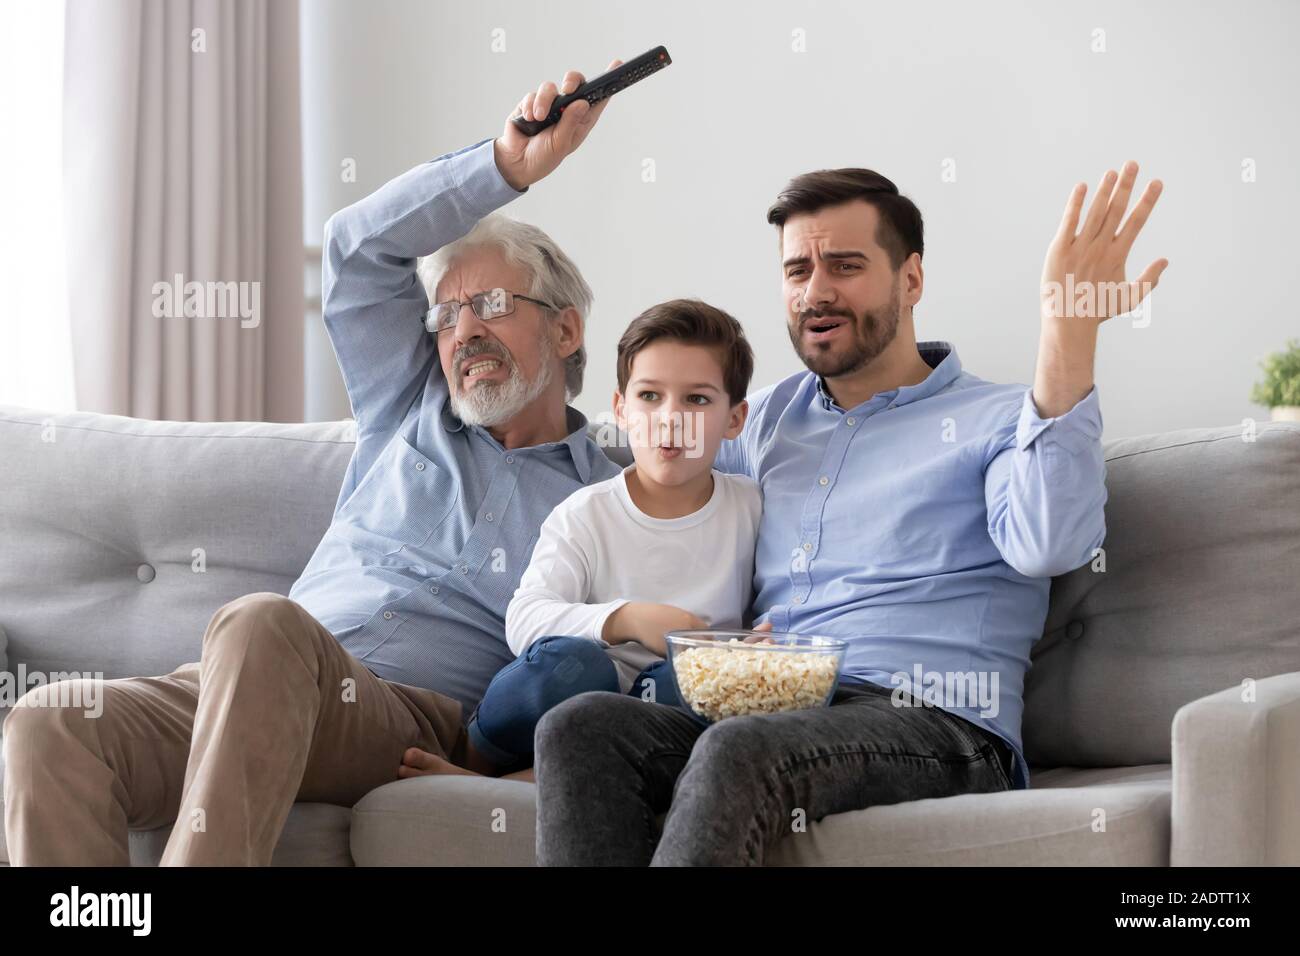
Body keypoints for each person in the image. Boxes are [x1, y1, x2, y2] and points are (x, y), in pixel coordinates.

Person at [2, 60, 626, 865]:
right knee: (54, 722)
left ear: (567, 331)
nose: (464, 331)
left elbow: (619, 682)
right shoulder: (405, 410)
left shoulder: (611, 500)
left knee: (265, 624)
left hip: (396, 717)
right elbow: (355, 248)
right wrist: (503, 167)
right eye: (446, 314)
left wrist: (513, 770)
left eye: (494, 306)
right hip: (239, 685)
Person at [531, 159, 1167, 865]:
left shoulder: (998, 418)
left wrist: (1066, 335)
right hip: (771, 707)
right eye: (797, 269)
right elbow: (656, 487)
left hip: (938, 725)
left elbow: (1051, 544)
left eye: (844, 265)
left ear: (912, 278)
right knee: (580, 726)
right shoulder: (764, 417)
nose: (816, 290)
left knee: (739, 749)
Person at [407, 299, 764, 777]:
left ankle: (531, 784)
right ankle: (475, 760)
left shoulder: (751, 507)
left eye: (697, 400)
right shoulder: (586, 512)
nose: (670, 419)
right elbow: (525, 618)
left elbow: (789, 591)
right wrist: (630, 618)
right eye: (650, 397)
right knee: (569, 665)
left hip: (665, 721)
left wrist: (762, 643)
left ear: (734, 420)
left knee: (700, 682)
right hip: (577, 689)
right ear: (620, 408)